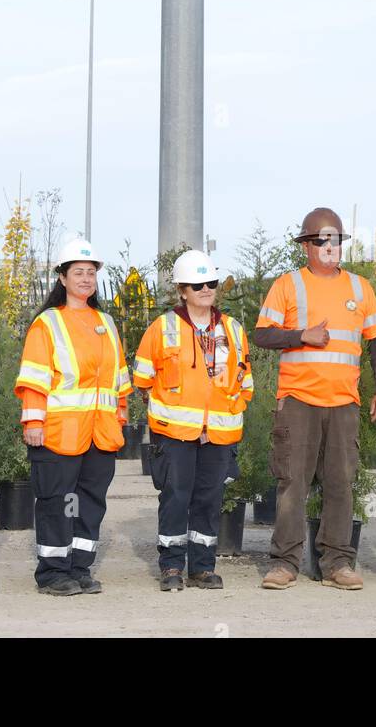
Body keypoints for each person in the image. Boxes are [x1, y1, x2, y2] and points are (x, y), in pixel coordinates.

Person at [253, 208, 376, 591]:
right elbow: (262, 335)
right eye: (320, 240)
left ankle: (337, 563)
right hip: (298, 400)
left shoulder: (361, 288)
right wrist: (301, 336)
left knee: (340, 484)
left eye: (335, 239)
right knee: (292, 483)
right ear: (306, 246)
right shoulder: (287, 285)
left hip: (343, 403)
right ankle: (284, 563)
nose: (329, 247)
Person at [14, 239, 132, 596]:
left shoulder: (106, 323)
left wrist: (120, 419)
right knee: (57, 503)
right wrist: (33, 423)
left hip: (100, 432)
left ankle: (80, 568)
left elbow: (119, 380)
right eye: (78, 272)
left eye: (91, 272)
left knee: (90, 503)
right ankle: (53, 571)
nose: (85, 278)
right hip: (59, 432)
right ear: (62, 278)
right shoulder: (48, 324)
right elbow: (34, 378)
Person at [132, 250, 253, 592]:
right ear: (182, 290)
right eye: (198, 284)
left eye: (211, 283)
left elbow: (245, 382)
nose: (206, 289)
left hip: (219, 433)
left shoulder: (232, 329)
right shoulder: (162, 328)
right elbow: (142, 379)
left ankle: (202, 566)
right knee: (175, 496)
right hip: (174, 433)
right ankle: (171, 567)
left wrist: (230, 409)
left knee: (209, 499)